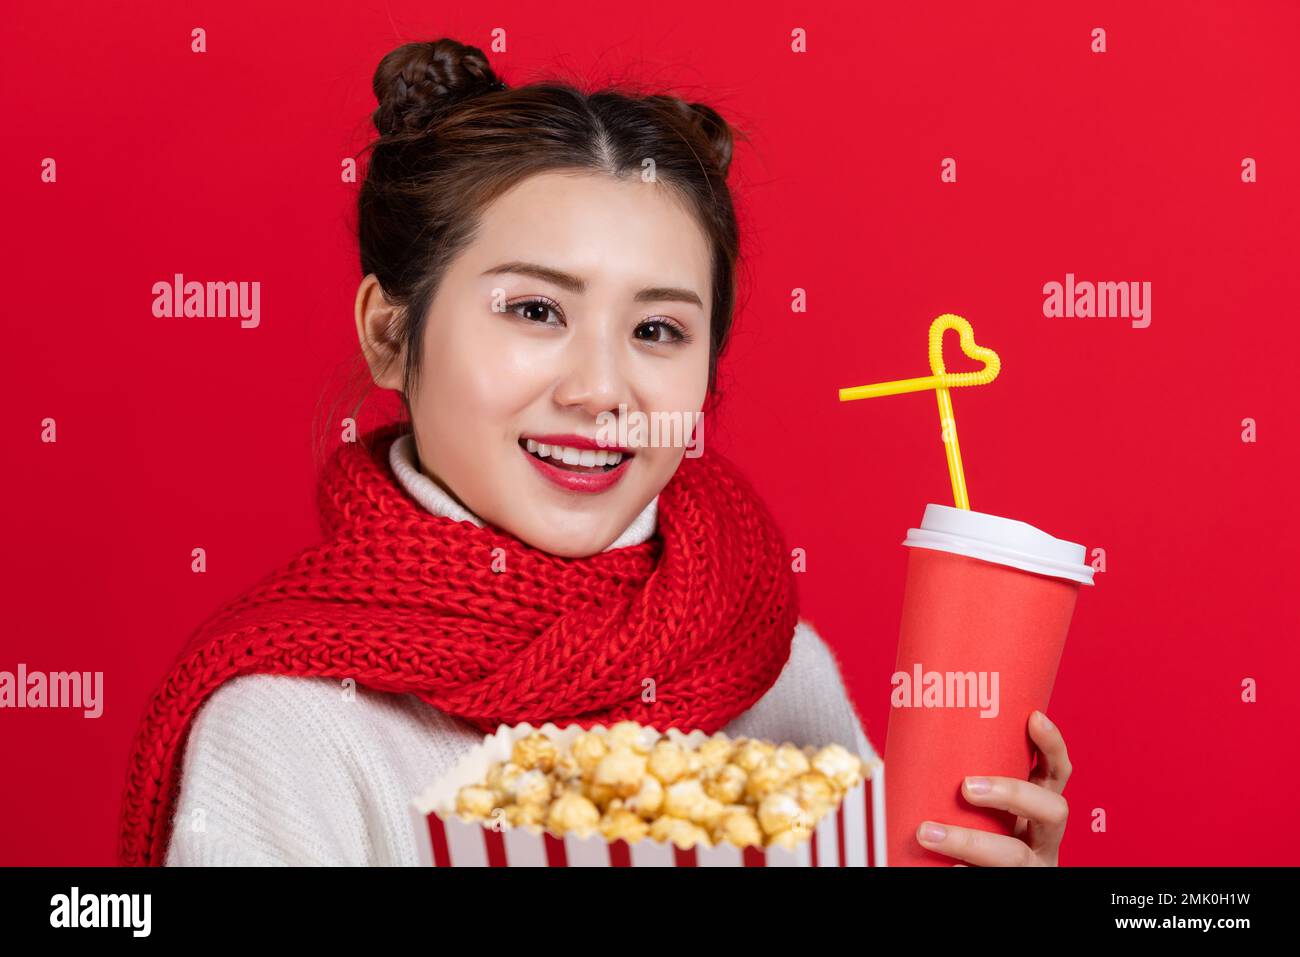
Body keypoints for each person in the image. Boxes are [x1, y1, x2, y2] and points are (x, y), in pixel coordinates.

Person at [118, 38, 1070, 867]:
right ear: (389, 331)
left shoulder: (778, 669)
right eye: (535, 310)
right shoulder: (290, 725)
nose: (601, 390)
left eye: (657, 330)